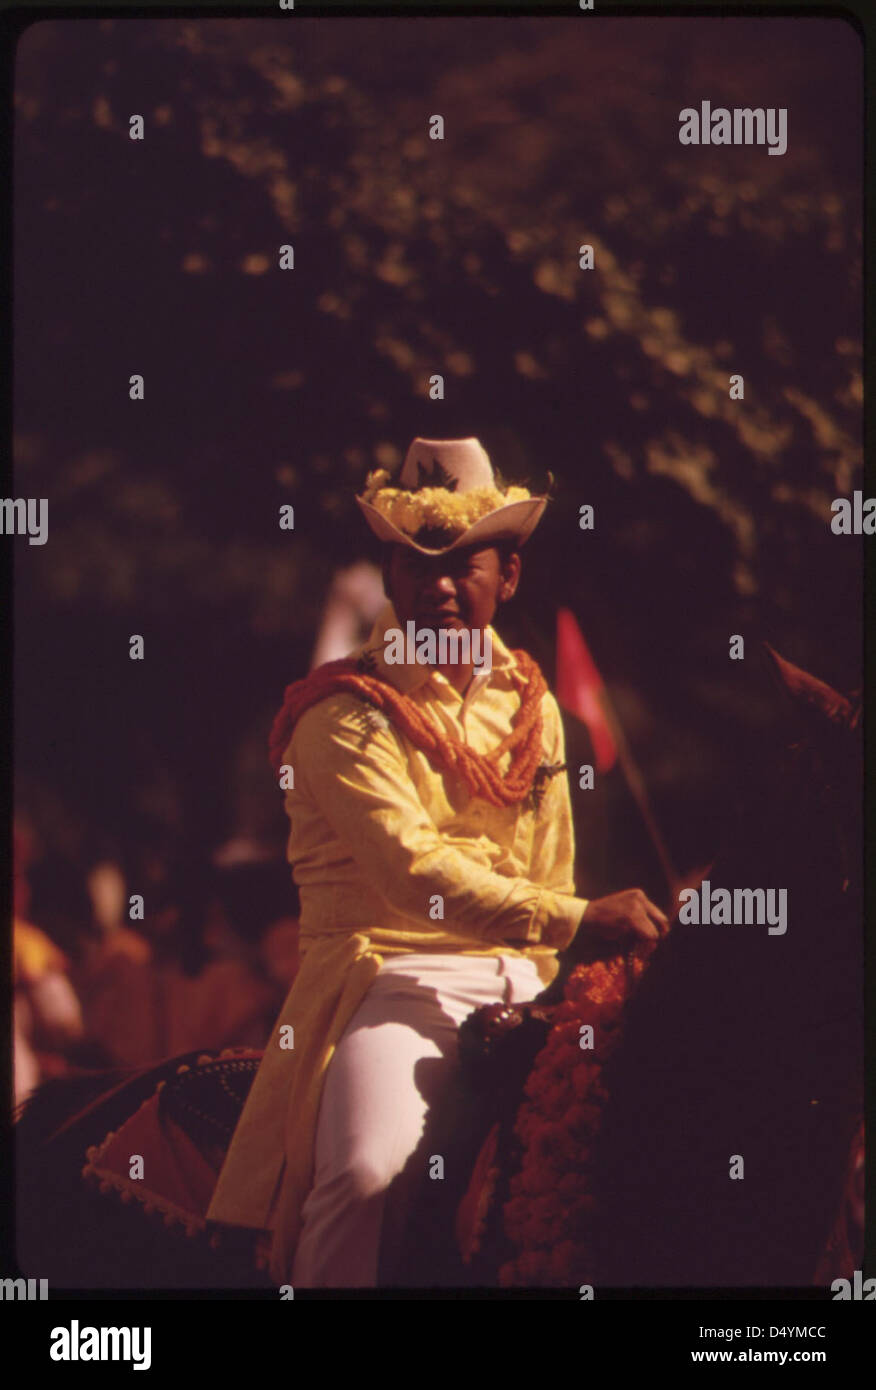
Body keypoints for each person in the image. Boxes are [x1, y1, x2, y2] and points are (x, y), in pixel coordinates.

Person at [206, 436, 667, 1287]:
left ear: (510, 577)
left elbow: (552, 871)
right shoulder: (342, 713)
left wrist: (568, 957)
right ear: (388, 576)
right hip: (388, 974)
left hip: (524, 978)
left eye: (464, 563)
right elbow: (412, 873)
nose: (441, 585)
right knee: (367, 1175)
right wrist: (580, 920)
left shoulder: (540, 708)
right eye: (418, 564)